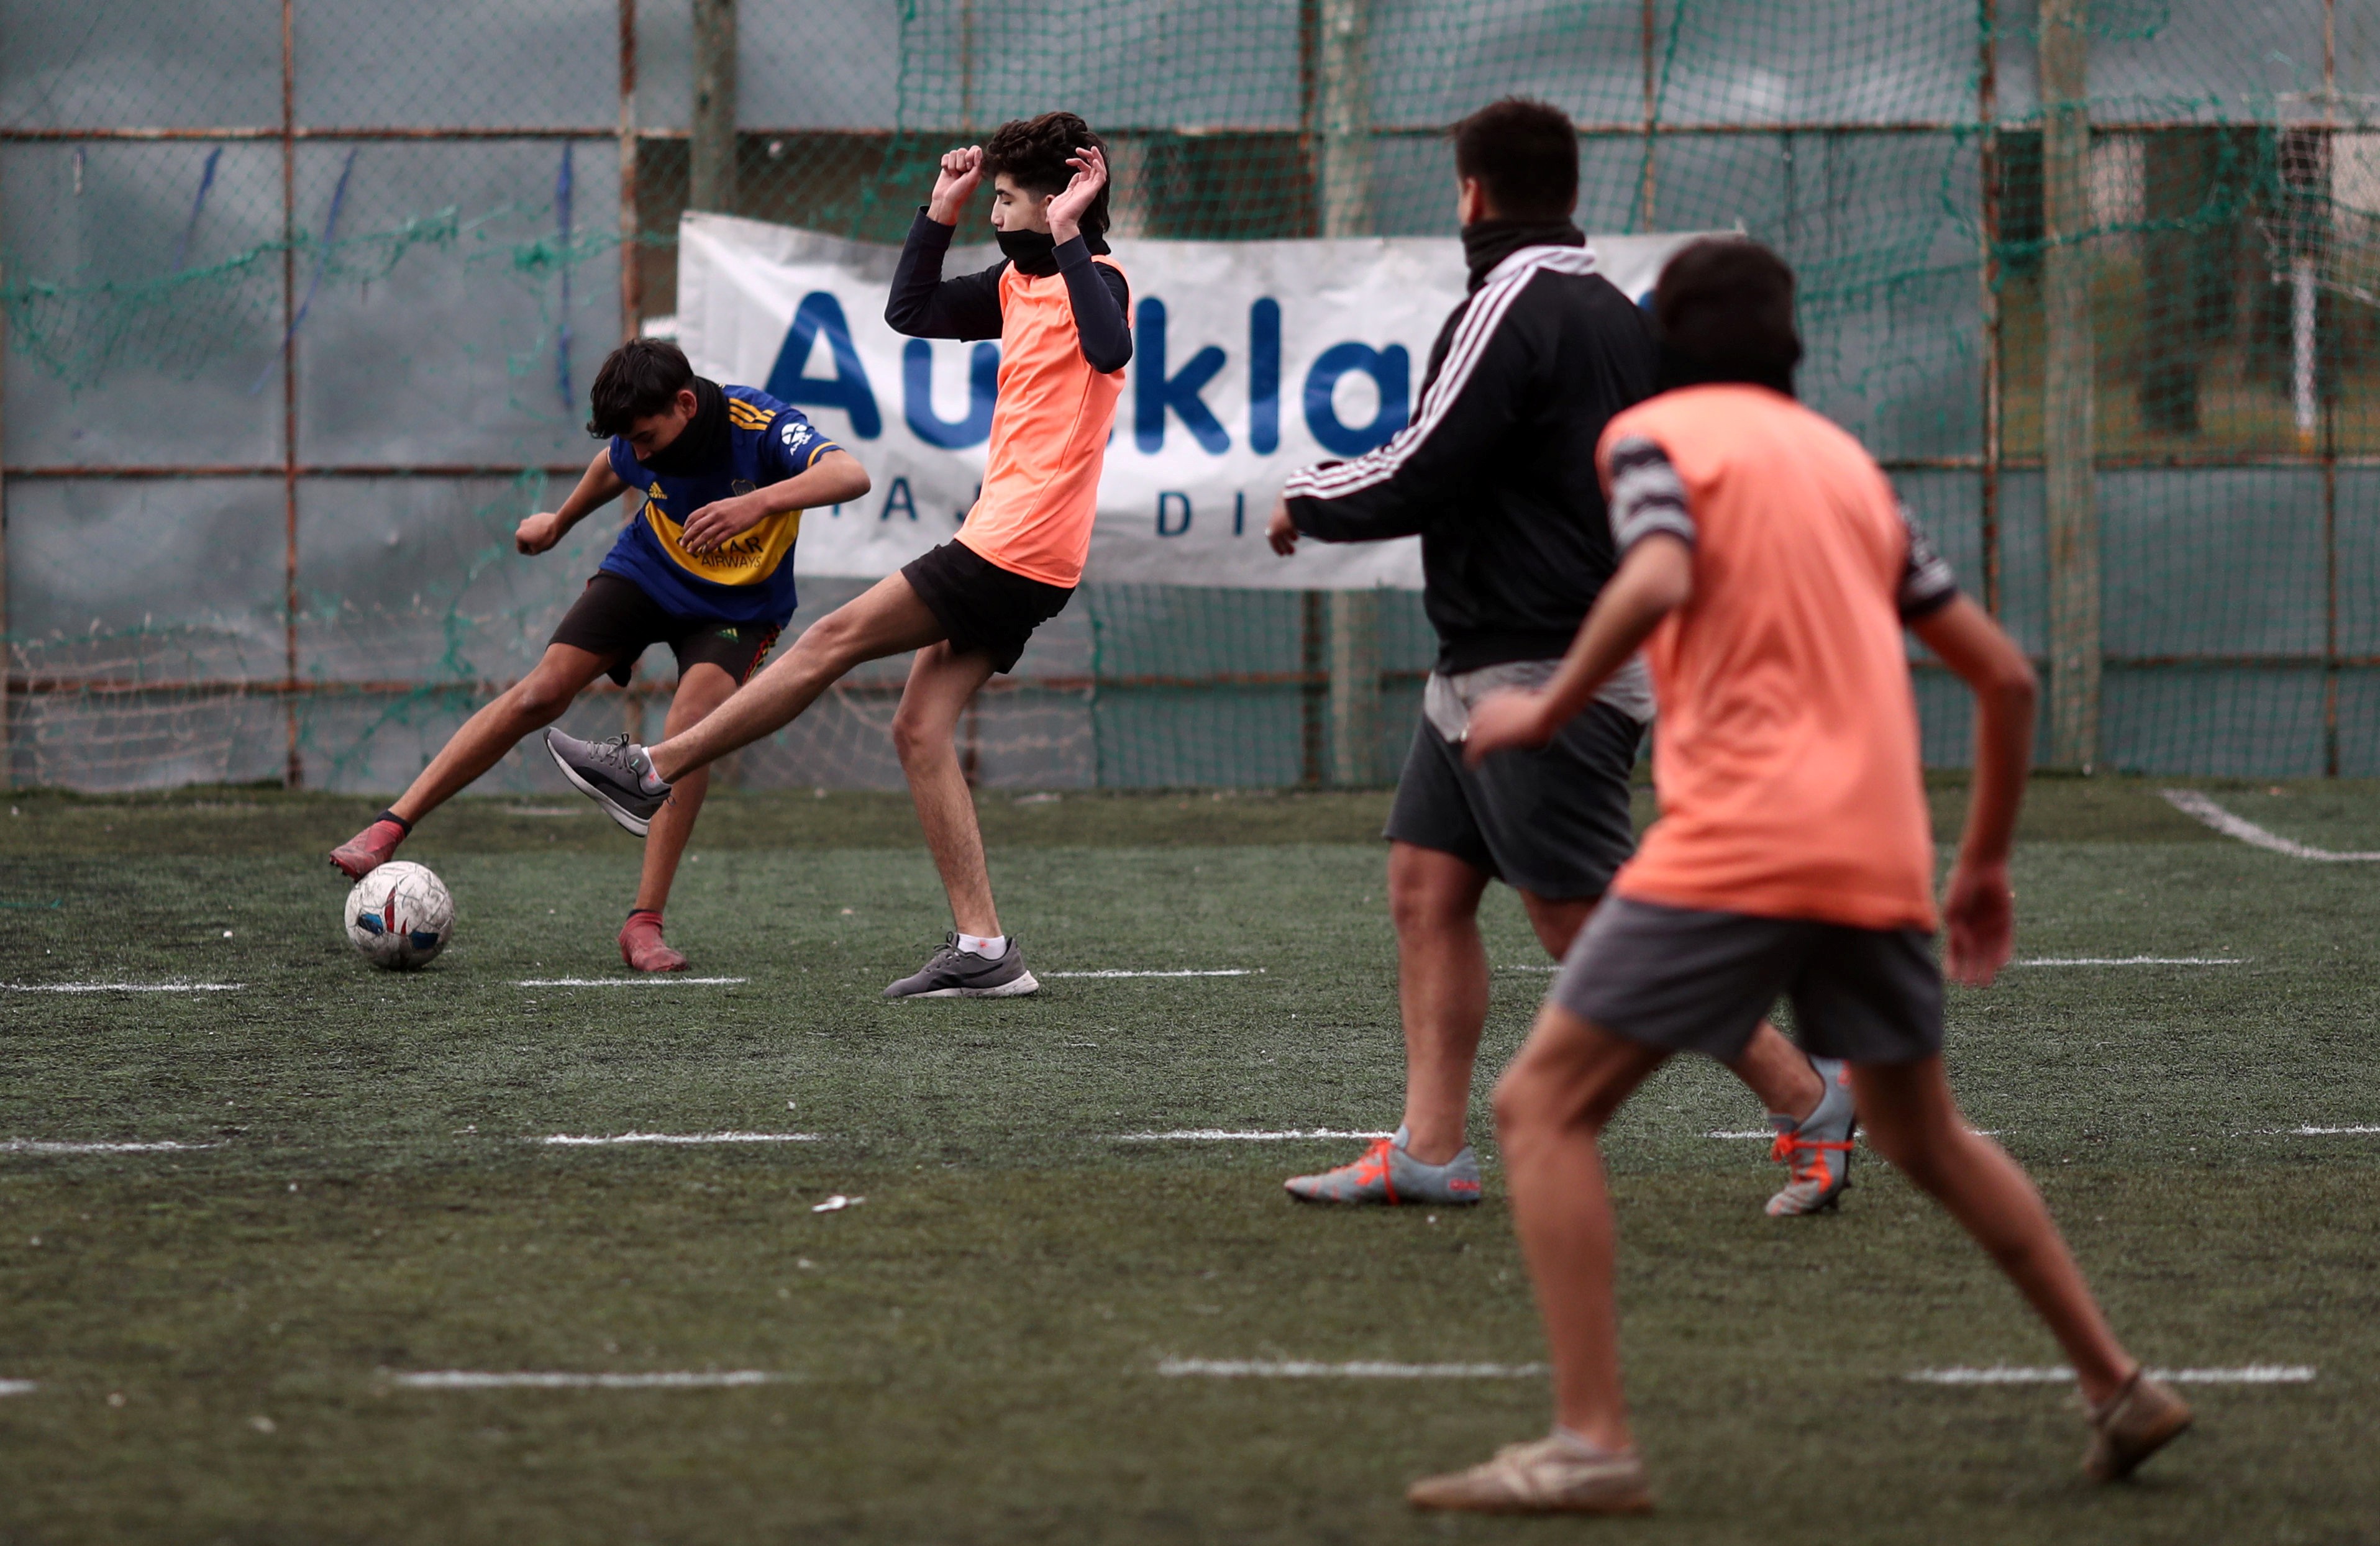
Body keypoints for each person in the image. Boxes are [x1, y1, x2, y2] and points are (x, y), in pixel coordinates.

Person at [1408, 239, 2190, 1513]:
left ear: (1662, 347)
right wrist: (1980, 859)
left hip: (1740, 842)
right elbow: (2004, 675)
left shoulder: (1655, 437)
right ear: (1790, 350)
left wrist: (1547, 701)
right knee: (1923, 1132)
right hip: (1876, 852)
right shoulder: (1846, 469)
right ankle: (2115, 1382)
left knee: (1538, 1109)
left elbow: (1658, 569)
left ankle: (1591, 1442)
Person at [1265, 98, 1851, 1216]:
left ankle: (1804, 1092)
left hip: (1542, 667)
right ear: (1569, 191)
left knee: (1588, 924)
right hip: (1490, 657)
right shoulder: (1616, 316)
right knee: (1426, 887)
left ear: (1471, 192)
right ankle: (1430, 1147)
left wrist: (1307, 497)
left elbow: (1425, 460)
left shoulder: (1512, 300)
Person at [545, 111, 1131, 999]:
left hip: (1016, 546)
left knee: (828, 639)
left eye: (1004, 199)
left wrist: (1066, 233)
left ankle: (652, 771)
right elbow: (911, 309)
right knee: (917, 726)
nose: (993, 213)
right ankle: (983, 950)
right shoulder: (1014, 285)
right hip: (1015, 547)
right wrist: (938, 210)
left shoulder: (1103, 282)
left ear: (1055, 202)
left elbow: (1109, 345)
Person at [329, 339, 868, 972]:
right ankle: (389, 827)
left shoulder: (759, 425)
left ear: (685, 404)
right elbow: (612, 466)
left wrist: (756, 501)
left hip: (738, 609)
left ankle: (644, 923)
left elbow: (850, 475)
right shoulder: (637, 441)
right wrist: (559, 523)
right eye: (630, 439)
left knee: (693, 726)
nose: (638, 450)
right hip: (649, 573)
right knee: (541, 692)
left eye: (646, 435)